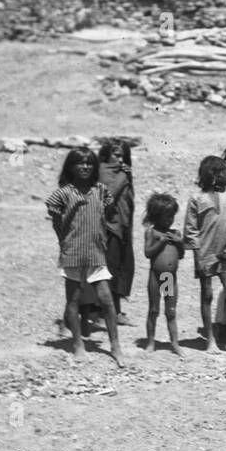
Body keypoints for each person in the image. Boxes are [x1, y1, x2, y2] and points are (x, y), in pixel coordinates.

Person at [44, 148, 125, 367]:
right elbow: (55, 220)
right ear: (71, 166)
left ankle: (115, 346)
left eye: (89, 163)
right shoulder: (64, 193)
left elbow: (107, 213)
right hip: (73, 252)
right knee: (74, 299)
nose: (85, 167)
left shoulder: (100, 190)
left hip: (96, 253)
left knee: (107, 300)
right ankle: (77, 344)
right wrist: (64, 240)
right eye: (80, 163)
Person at [184, 155, 226, 356]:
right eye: (221, 173)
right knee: (207, 295)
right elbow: (191, 230)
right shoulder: (197, 199)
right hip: (206, 254)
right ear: (212, 175)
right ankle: (210, 340)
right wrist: (197, 258)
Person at [98, 138, 136, 326]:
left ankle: (117, 311)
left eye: (124, 156)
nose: (121, 160)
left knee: (122, 269)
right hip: (109, 228)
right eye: (117, 155)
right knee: (109, 270)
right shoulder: (103, 170)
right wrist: (123, 177)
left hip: (123, 228)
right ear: (107, 154)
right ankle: (104, 313)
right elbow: (109, 196)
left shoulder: (123, 173)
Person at [141, 193, 185, 356]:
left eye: (172, 216)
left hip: (168, 279)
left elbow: (180, 255)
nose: (169, 220)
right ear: (156, 216)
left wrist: (180, 243)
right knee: (153, 309)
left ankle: (175, 343)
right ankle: (151, 342)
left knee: (171, 311)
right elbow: (147, 253)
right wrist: (161, 242)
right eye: (166, 216)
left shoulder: (176, 233)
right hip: (155, 277)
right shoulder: (152, 233)